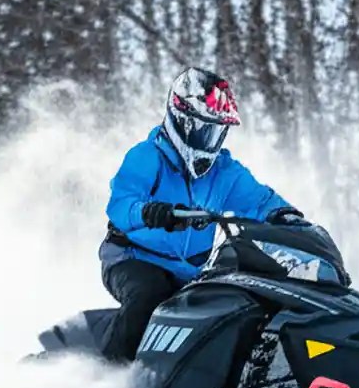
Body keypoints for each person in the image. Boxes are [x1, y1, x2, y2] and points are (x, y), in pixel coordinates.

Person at [98, 67, 304, 362]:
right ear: (180, 121)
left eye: (217, 131)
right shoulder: (146, 157)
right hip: (133, 257)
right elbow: (120, 204)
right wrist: (149, 212)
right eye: (204, 130)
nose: (210, 140)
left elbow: (260, 200)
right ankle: (110, 376)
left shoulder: (224, 171)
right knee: (148, 296)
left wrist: (287, 217)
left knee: (236, 307)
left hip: (192, 271)